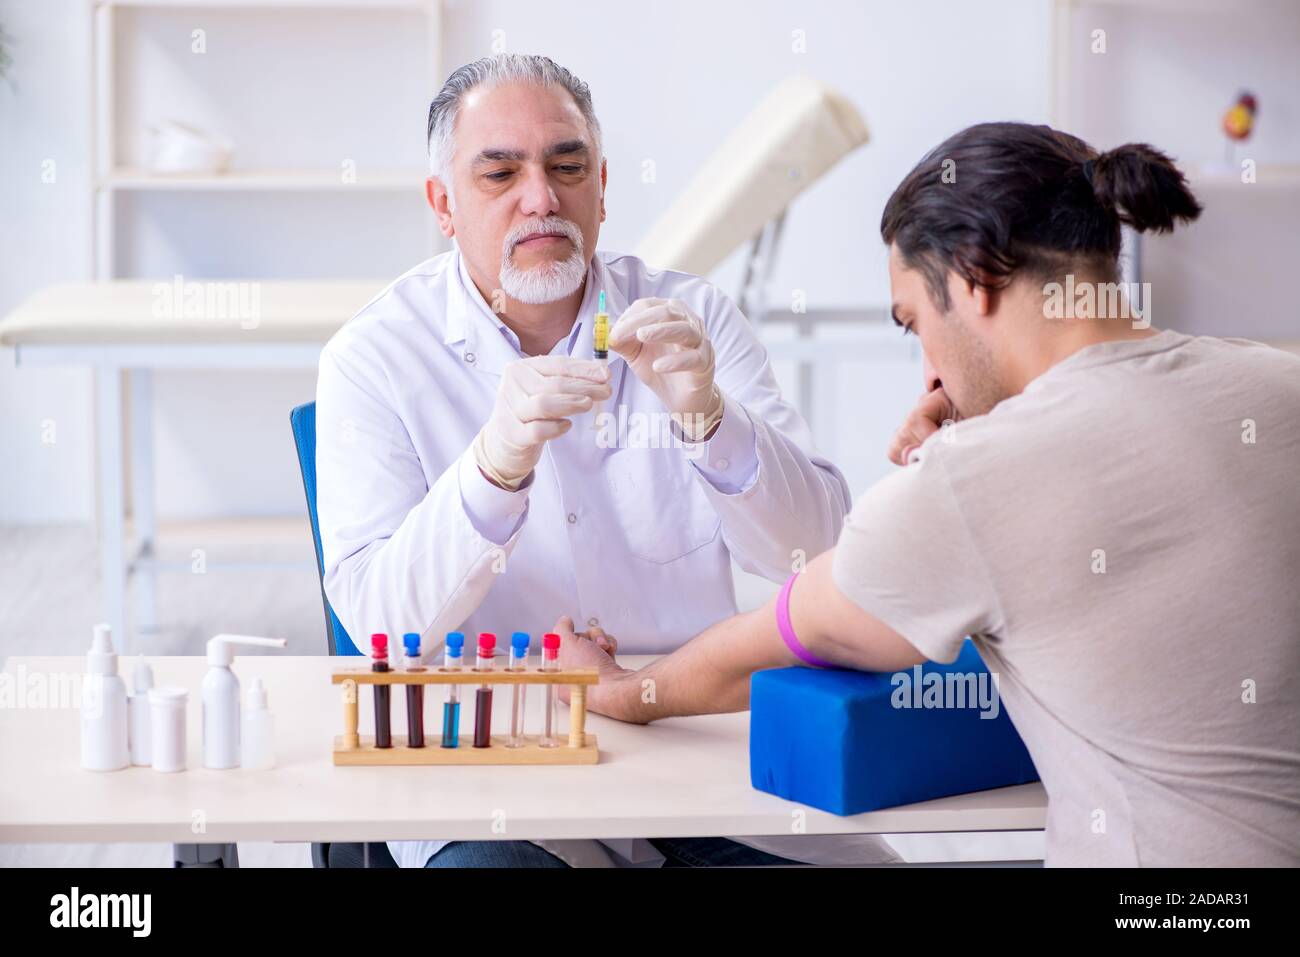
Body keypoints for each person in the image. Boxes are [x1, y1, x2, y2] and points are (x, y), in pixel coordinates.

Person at [558, 122, 1300, 867]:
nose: (928, 367)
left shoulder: (970, 480)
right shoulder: (1279, 386)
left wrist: (619, 688)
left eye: (914, 322)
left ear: (974, 277)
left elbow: (774, 642)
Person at [315, 54, 901, 867]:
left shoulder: (692, 318)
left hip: (695, 748)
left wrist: (710, 419)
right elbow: (381, 629)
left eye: (567, 166)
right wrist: (491, 472)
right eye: (499, 174)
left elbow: (816, 553)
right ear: (443, 205)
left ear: (601, 186)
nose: (541, 198)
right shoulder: (375, 358)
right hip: (495, 766)